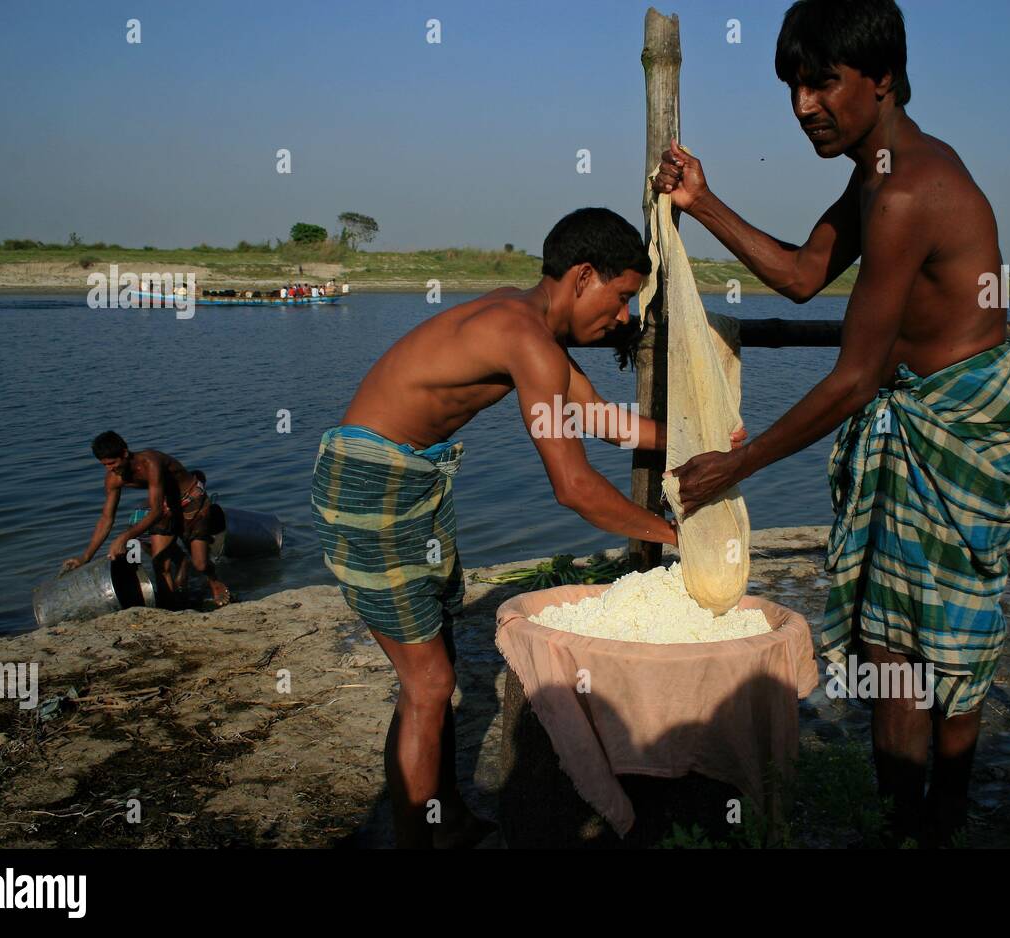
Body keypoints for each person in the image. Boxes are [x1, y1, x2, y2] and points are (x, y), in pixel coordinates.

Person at [658, 0, 1010, 847]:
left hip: (953, 430)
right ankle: (920, 823)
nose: (803, 106)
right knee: (900, 639)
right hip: (920, 419)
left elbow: (859, 375)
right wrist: (704, 201)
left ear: (884, 78)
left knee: (920, 646)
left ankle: (918, 823)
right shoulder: (877, 172)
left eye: (823, 82)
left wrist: (738, 464)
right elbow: (802, 276)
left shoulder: (907, 188)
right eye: (794, 85)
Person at [311, 206, 744, 848]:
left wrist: (703, 446)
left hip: (407, 478)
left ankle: (446, 818)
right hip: (373, 483)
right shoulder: (529, 342)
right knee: (428, 684)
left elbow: (603, 421)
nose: (623, 318)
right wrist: (679, 537)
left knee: (436, 670)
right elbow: (573, 488)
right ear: (582, 276)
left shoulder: (524, 321)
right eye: (622, 297)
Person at [62, 431, 231, 608]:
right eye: (104, 465)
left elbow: (156, 511)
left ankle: (214, 581)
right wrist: (86, 557)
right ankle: (171, 606)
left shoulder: (150, 463)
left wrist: (125, 537)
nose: (110, 469)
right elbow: (106, 518)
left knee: (201, 564)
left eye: (113, 463)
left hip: (190, 499)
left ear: (125, 453)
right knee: (160, 564)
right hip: (165, 504)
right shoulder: (113, 479)